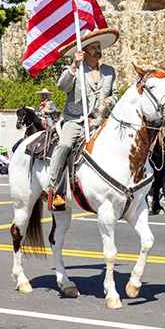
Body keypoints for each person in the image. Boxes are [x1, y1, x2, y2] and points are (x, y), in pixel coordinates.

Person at [47, 28, 120, 211]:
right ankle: (54, 188)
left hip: (102, 119)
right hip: (77, 119)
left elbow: (116, 94)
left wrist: (112, 100)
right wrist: (73, 65)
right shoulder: (74, 70)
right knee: (64, 146)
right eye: (93, 47)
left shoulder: (109, 71)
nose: (98, 49)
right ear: (84, 51)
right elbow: (62, 86)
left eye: (98, 46)